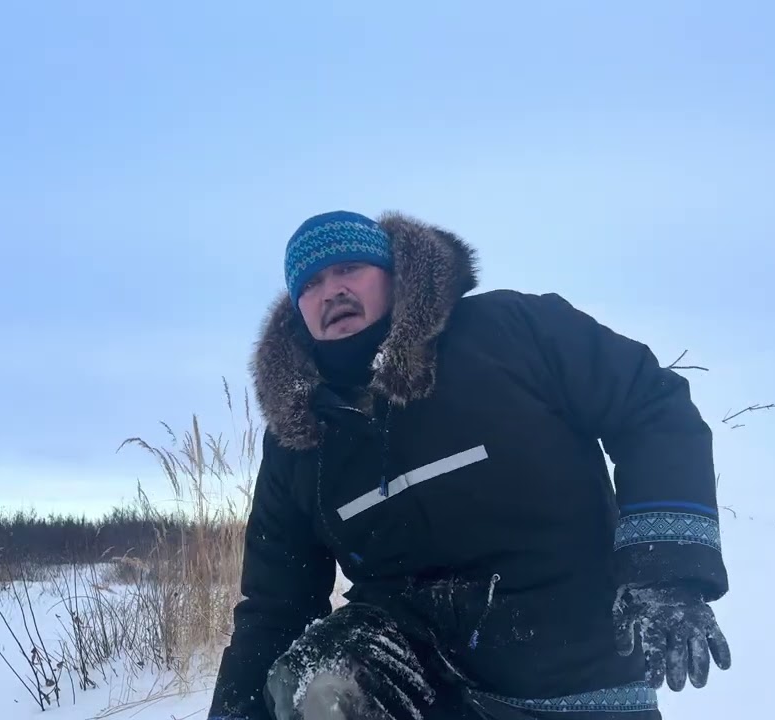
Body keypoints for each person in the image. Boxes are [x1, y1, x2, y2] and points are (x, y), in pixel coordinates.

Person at [206, 210, 732, 720]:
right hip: (422, 682)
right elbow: (276, 603)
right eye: (311, 284)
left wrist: (667, 567)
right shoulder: (300, 440)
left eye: (349, 268)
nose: (331, 291)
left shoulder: (513, 329)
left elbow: (650, 406)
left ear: (393, 274)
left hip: (573, 667)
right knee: (318, 682)